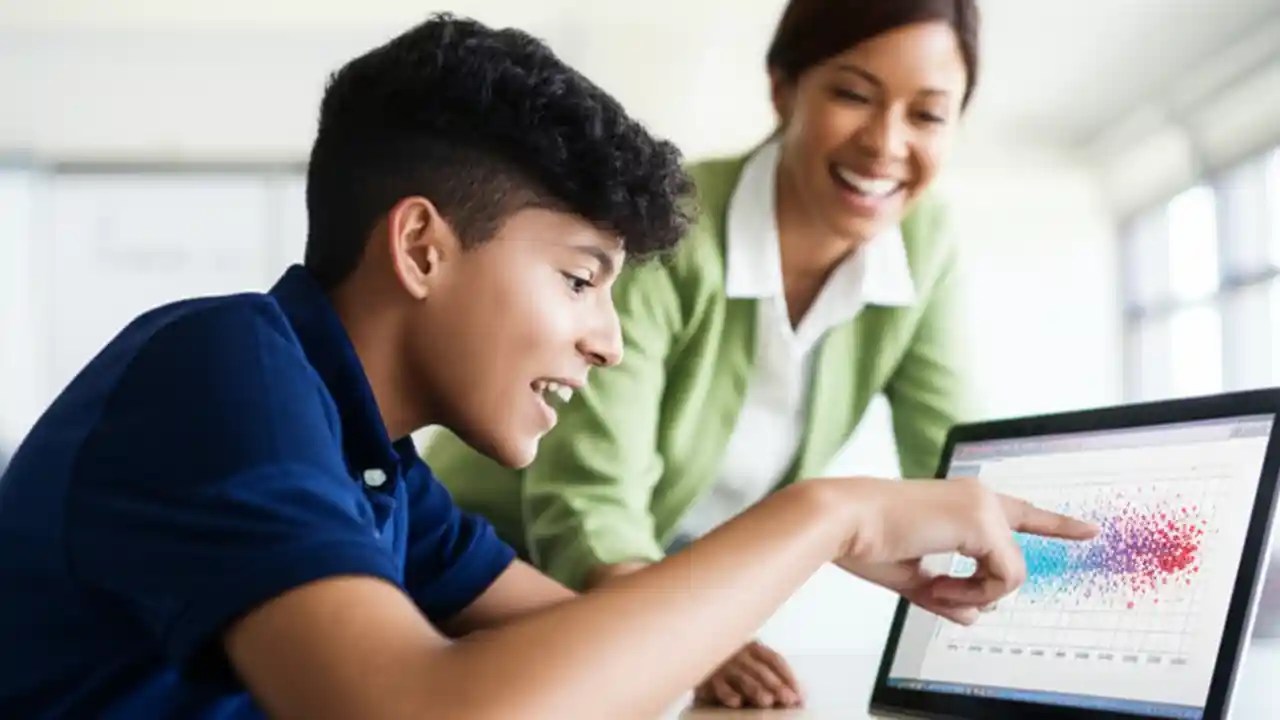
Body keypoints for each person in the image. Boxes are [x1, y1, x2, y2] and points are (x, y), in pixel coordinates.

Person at [0, 13, 1094, 720]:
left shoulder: (380, 474)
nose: (611, 339)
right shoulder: (222, 370)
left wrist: (714, 640)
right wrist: (827, 515)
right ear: (422, 246)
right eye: (579, 280)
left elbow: (580, 647)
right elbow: (419, 714)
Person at [426, 0, 981, 707]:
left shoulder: (924, 243)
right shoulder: (669, 225)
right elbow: (587, 498)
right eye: (852, 94)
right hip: (487, 571)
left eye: (928, 115)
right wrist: (682, 629)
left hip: (645, 611)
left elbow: (953, 458)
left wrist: (1012, 570)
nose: (885, 143)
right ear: (783, 87)